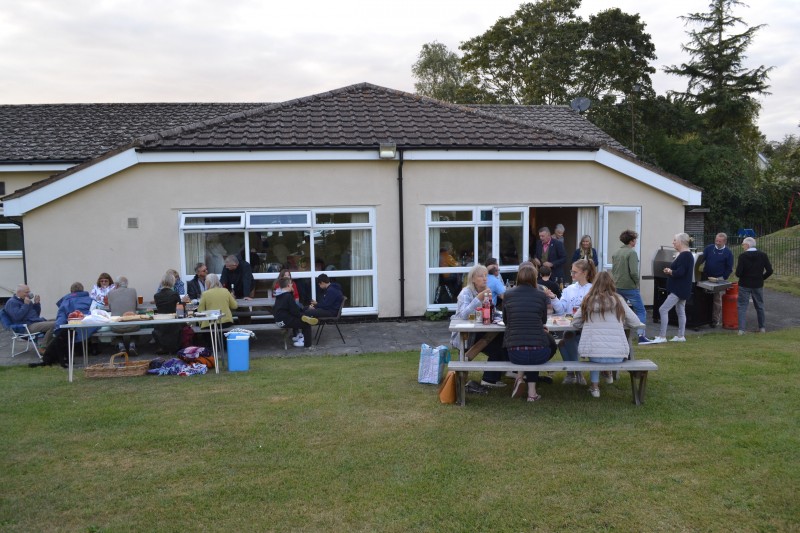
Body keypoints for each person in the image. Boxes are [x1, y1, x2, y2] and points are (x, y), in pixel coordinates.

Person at [573, 272, 645, 398]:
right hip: (617, 355)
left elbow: (575, 322)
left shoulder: (588, 300)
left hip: (594, 354)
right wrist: (622, 321)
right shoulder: (619, 300)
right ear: (612, 283)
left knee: (595, 351)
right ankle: (608, 374)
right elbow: (635, 322)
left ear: (594, 283)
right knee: (603, 348)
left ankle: (595, 387)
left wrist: (587, 324)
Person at [503, 262, 558, 402]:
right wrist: (540, 327)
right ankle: (531, 393)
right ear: (535, 277)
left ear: (518, 277)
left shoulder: (508, 294)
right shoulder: (541, 295)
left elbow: (506, 321)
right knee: (543, 346)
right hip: (539, 353)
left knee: (530, 350)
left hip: (515, 354)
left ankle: (520, 377)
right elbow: (544, 320)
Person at [449, 264, 508, 388]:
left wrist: (503, 315)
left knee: (503, 339)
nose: (485, 278)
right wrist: (478, 298)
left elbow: (491, 311)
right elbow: (464, 315)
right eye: (481, 276)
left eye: (486, 275)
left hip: (480, 330)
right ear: (473, 279)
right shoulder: (465, 292)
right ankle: (490, 379)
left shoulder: (486, 290)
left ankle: (493, 376)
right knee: (498, 344)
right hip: (466, 335)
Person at [543, 258, 597, 385]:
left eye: (575, 272)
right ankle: (573, 373)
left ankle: (575, 372)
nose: (572, 274)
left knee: (567, 339)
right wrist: (554, 298)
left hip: (588, 327)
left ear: (584, 273)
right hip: (570, 325)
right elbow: (561, 310)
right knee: (564, 340)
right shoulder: (569, 289)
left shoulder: (593, 289)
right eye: (571, 271)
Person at [31, 282, 96, 367]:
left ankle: (44, 346)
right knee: (52, 322)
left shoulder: (67, 300)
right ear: (82, 290)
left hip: (72, 325)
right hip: (86, 325)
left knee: (55, 324)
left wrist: (58, 327)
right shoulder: (90, 299)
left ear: (71, 291)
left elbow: (61, 315)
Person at [646, 233, 694, 344]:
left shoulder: (684, 255)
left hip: (678, 289)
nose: (673, 242)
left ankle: (662, 336)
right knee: (680, 311)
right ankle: (681, 336)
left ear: (681, 242)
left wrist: (670, 271)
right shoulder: (686, 255)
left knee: (663, 309)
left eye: (674, 240)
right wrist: (671, 271)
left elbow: (680, 272)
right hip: (682, 288)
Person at [611, 229, 651, 344]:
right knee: (641, 311)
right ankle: (641, 336)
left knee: (619, 311)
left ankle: (618, 335)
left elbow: (614, 270)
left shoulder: (616, 252)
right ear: (631, 241)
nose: (636, 242)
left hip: (617, 286)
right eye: (635, 240)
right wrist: (636, 283)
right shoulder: (631, 253)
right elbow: (634, 272)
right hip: (629, 287)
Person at [735, 236, 773, 335]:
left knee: (742, 306)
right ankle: (762, 328)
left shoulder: (743, 256)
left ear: (747, 245)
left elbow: (738, 273)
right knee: (760, 306)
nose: (742, 246)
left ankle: (741, 330)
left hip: (744, 284)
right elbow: (770, 270)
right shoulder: (763, 255)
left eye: (743, 244)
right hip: (757, 284)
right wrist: (761, 278)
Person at [696, 233, 734, 327]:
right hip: (706, 277)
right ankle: (703, 318)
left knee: (717, 300)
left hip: (719, 279)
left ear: (725, 241)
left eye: (719, 241)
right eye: (716, 240)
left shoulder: (728, 253)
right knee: (703, 298)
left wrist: (722, 278)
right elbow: (701, 260)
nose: (717, 243)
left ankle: (715, 320)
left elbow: (729, 268)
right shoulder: (709, 248)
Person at [4, 284, 56, 348]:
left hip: (35, 322)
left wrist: (37, 304)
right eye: (26, 292)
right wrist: (25, 305)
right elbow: (17, 317)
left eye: (29, 291)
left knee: (60, 320)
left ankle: (55, 345)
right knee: (54, 324)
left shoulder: (26, 300)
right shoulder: (12, 302)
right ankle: (43, 347)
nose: (29, 294)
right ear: (19, 292)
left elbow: (36, 315)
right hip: (26, 326)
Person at [274, 277, 315, 348]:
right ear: (288, 286)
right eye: (291, 284)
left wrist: (303, 311)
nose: (292, 285)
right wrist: (303, 315)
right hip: (285, 321)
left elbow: (292, 309)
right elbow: (295, 311)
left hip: (279, 321)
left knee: (300, 317)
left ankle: (299, 337)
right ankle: (307, 345)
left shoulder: (279, 295)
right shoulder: (288, 296)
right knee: (307, 323)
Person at [107, 276, 139, 356]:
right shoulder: (133, 291)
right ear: (126, 284)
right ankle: (132, 344)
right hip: (133, 326)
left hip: (116, 327)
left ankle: (121, 345)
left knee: (116, 324)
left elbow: (110, 308)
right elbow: (136, 307)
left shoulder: (110, 293)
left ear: (116, 285)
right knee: (136, 322)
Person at [153, 272, 182, 355]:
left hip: (160, 323)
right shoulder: (175, 294)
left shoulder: (156, 295)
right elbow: (180, 310)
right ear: (173, 282)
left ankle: (163, 347)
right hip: (173, 323)